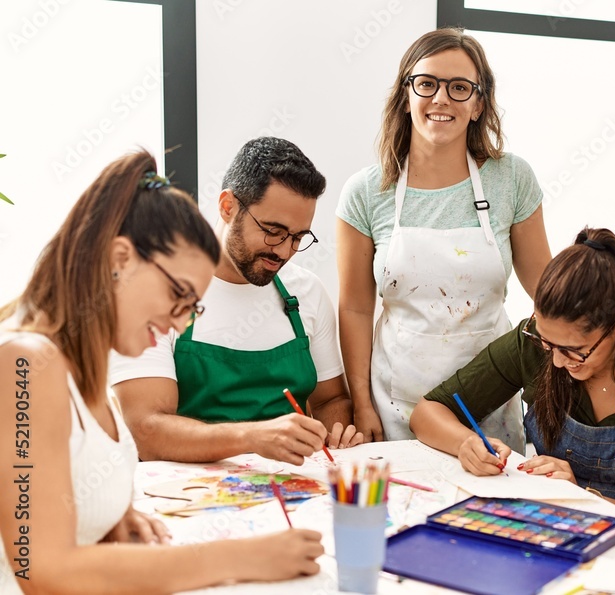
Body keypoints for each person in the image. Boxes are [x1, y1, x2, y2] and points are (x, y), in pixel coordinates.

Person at [0, 152, 324, 593]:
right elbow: (41, 571)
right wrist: (242, 557)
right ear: (120, 260)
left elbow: (59, 491)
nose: (179, 323)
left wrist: (106, 518)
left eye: (193, 308)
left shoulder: (86, 372)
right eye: (178, 296)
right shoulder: (24, 365)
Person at [411, 228, 615, 529]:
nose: (556, 361)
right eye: (547, 342)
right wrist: (466, 443)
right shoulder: (529, 345)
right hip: (554, 530)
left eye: (574, 351)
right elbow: (427, 412)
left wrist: (584, 498)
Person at [337, 27, 553, 445]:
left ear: (478, 104)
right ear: (406, 97)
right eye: (427, 84)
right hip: (396, 398)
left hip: (489, 394)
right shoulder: (365, 192)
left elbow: (546, 290)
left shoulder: (511, 179)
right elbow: (356, 310)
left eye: (459, 88)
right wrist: (361, 402)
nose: (440, 99)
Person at [112, 137, 361, 465]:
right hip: (189, 496)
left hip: (294, 488)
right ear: (228, 206)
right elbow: (144, 430)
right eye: (273, 231)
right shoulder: (157, 294)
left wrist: (335, 433)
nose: (284, 251)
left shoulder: (306, 293)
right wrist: (253, 438)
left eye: (298, 237)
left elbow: (331, 400)